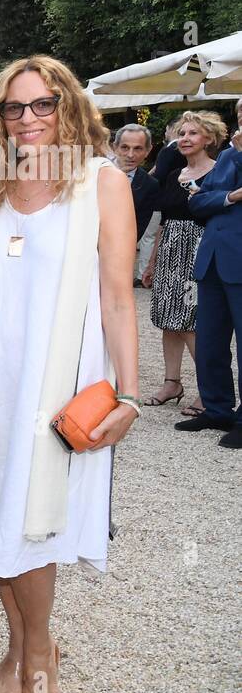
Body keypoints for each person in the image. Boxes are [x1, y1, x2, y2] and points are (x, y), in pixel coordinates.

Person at [0, 55, 140, 693]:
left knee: (34, 526)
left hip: (58, 387)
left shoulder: (102, 183)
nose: (27, 119)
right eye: (13, 107)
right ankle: (26, 646)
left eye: (43, 104)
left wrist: (131, 395)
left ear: (70, 108)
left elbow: (119, 300)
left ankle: (32, 657)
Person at [142, 111, 226, 415]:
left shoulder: (219, 172)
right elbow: (165, 221)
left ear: (209, 139)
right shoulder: (172, 174)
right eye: (182, 133)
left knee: (192, 321)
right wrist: (152, 262)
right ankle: (172, 383)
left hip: (200, 249)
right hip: (170, 249)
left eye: (192, 133)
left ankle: (209, 391)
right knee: (168, 318)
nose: (185, 139)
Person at [182, 140, 242, 447]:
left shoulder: (236, 156)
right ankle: (217, 409)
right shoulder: (228, 155)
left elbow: (207, 200)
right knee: (209, 342)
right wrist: (231, 196)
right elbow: (197, 204)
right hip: (213, 260)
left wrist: (217, 199)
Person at [112, 123, 159, 245]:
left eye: (138, 148)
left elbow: (137, 230)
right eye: (125, 147)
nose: (130, 155)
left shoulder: (150, 185)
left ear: (147, 151)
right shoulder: (94, 173)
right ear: (115, 147)